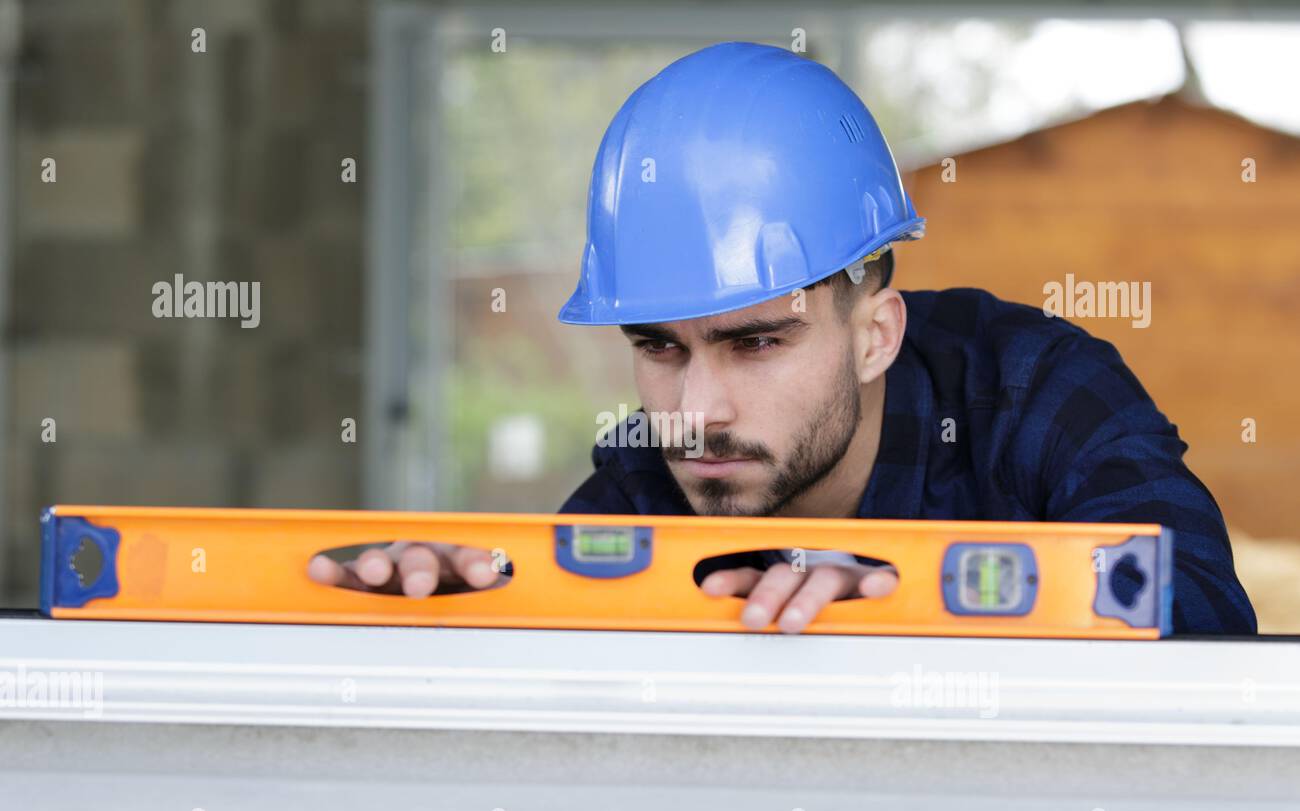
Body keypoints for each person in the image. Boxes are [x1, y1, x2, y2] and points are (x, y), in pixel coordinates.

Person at [308, 42, 1256, 636]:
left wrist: (911, 598)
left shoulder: (1038, 398)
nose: (696, 415)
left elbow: (1205, 618)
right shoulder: (652, 477)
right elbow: (553, 638)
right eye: (660, 348)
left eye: (757, 343)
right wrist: (443, 618)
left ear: (876, 334)